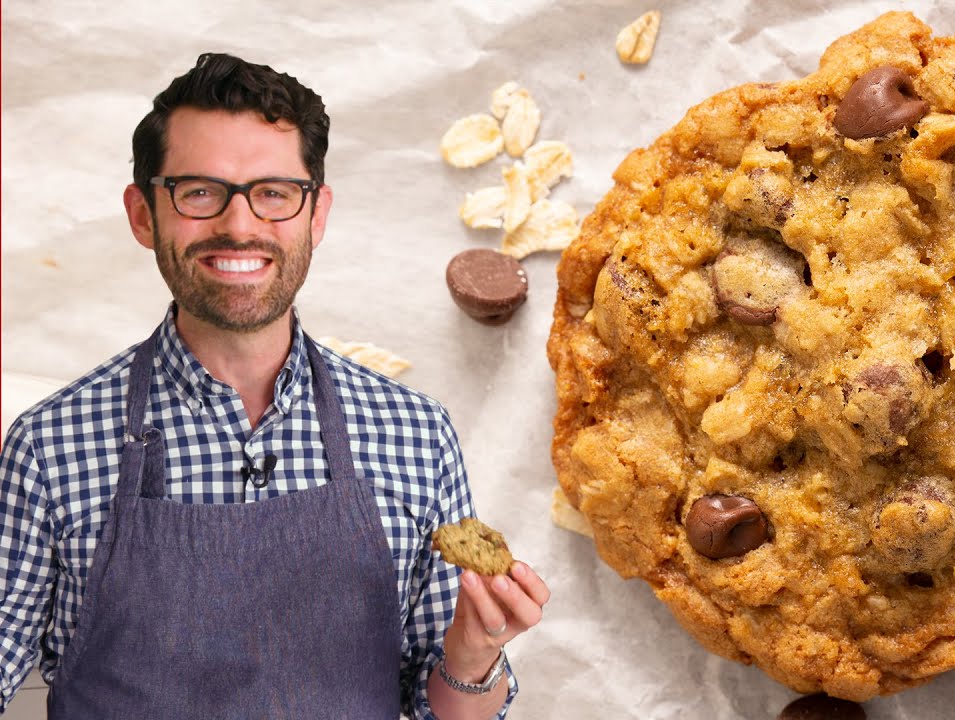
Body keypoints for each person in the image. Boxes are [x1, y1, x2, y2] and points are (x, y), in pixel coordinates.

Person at [0, 53, 548, 719]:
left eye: (274, 193)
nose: (239, 224)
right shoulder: (48, 448)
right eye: (199, 192)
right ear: (144, 215)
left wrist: (472, 655)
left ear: (316, 214)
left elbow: (451, 712)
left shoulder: (414, 436)